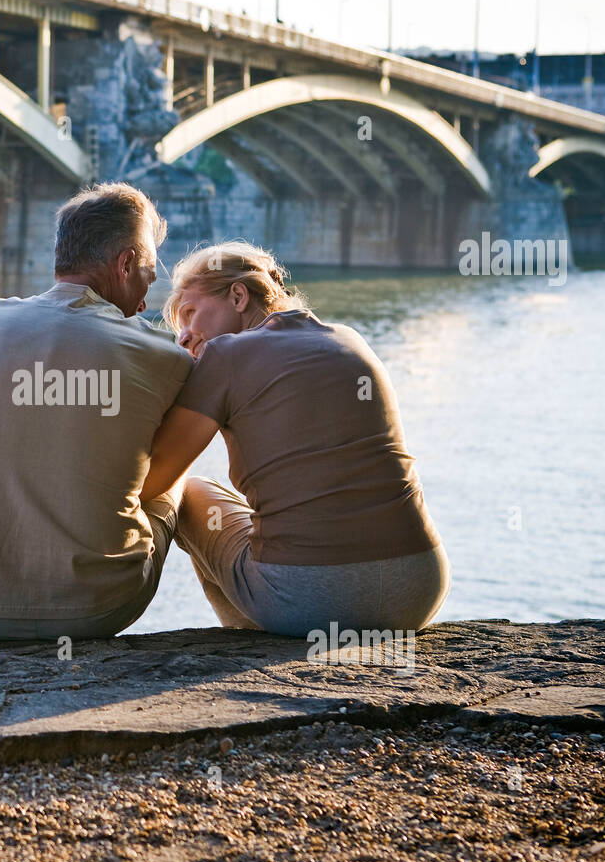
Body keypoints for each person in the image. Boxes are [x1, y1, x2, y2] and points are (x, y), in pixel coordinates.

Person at [0, 182, 192, 640]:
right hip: (100, 608)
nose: (146, 303)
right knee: (181, 473)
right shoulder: (163, 353)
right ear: (126, 263)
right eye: (148, 276)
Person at [140, 241, 450, 636]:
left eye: (190, 313)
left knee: (191, 492)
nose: (184, 336)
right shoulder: (349, 339)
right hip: (419, 588)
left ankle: (245, 638)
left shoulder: (225, 355)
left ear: (238, 295)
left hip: (310, 599)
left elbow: (154, 481)